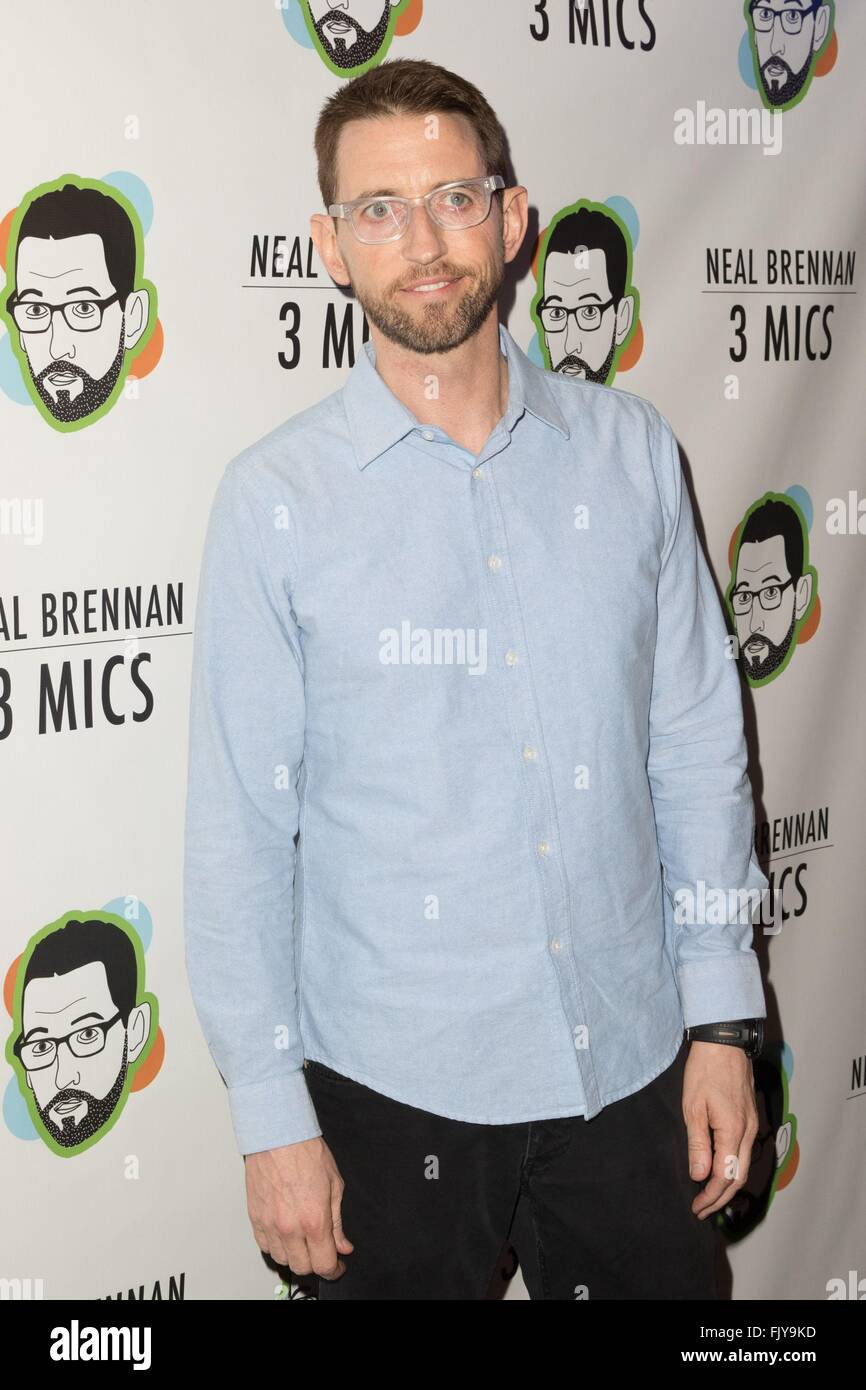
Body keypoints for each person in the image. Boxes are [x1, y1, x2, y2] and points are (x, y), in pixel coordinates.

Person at [183, 57, 768, 1300]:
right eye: (379, 210)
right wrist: (270, 1115)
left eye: (455, 196)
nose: (423, 241)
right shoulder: (274, 503)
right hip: (391, 1097)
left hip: (629, 1061)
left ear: (511, 221)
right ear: (330, 247)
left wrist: (719, 1019)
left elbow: (695, 746)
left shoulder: (631, 453)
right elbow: (240, 832)